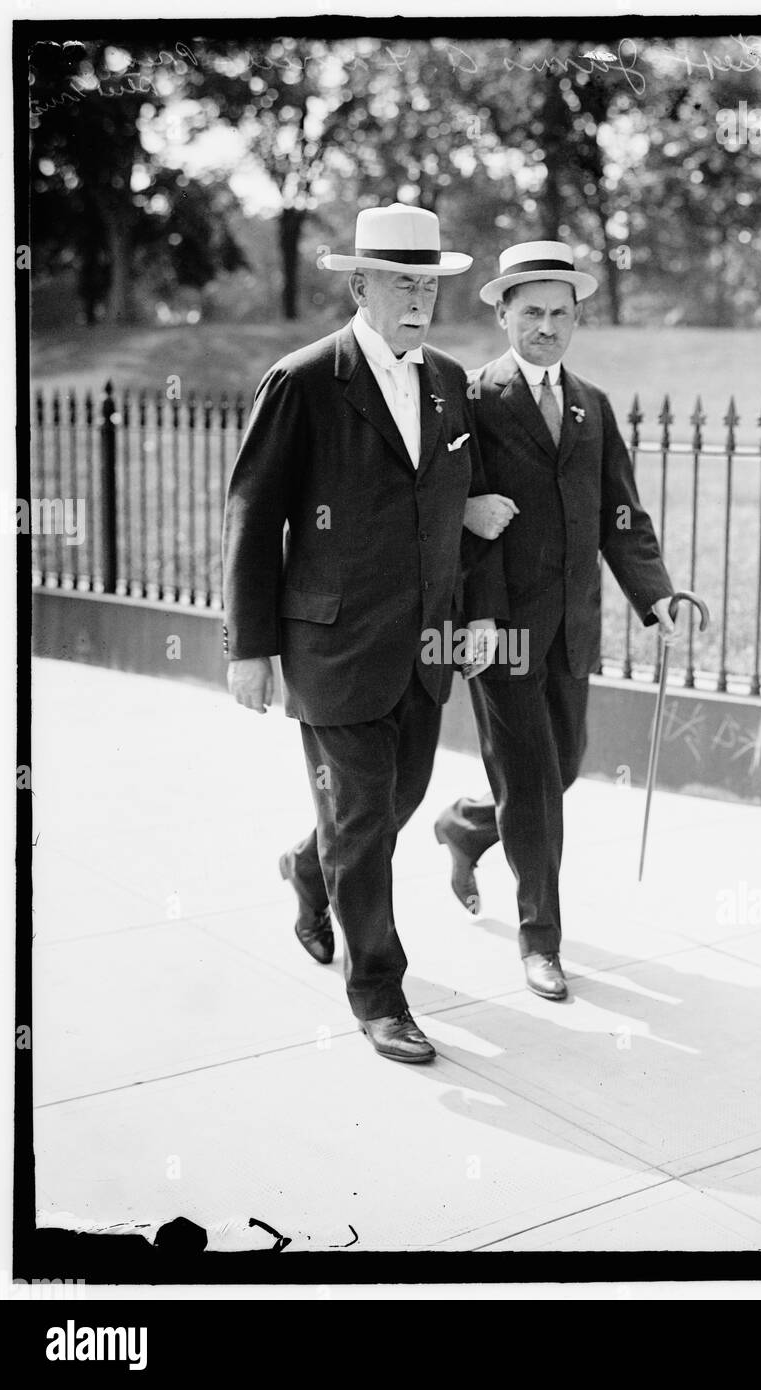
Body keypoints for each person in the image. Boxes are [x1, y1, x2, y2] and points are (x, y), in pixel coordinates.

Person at [222, 203, 506, 1064]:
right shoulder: (306, 380)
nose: (417, 297)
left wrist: (478, 608)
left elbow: (463, 506)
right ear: (360, 285)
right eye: (400, 282)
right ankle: (379, 992)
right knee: (360, 824)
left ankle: (308, 873)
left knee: (386, 808)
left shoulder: (450, 383)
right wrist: (248, 646)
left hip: (424, 651)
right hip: (332, 651)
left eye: (428, 283)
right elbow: (252, 514)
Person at [436, 240, 676, 1002]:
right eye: (531, 312)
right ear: (503, 313)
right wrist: (473, 617)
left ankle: (468, 825)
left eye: (560, 314)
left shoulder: (592, 407)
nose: (546, 326)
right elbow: (454, 524)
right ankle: (540, 941)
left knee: (561, 765)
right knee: (536, 784)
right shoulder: (470, 400)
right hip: (496, 629)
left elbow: (621, 517)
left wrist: (655, 594)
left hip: (572, 629)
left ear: (576, 320)